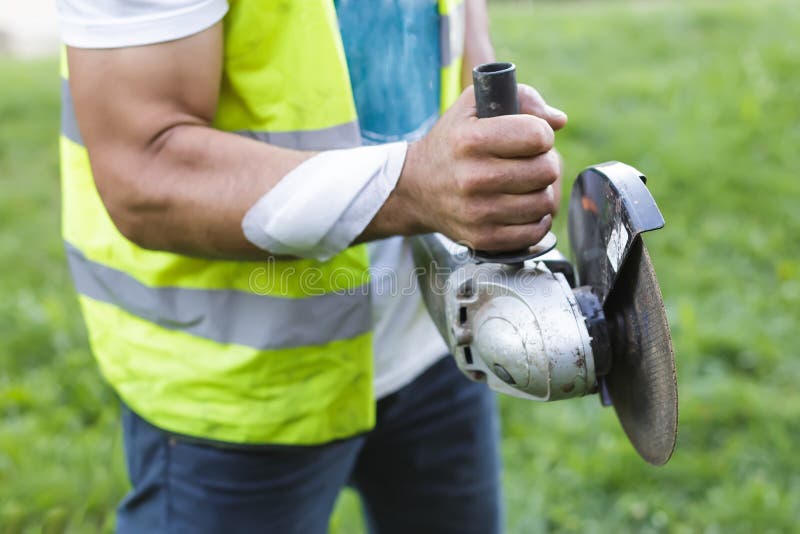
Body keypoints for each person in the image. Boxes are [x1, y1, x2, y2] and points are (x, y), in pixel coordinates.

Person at [57, 0, 567, 531]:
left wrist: (494, 168)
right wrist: (414, 185)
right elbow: (147, 169)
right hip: (240, 386)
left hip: (436, 329)